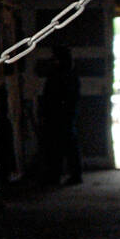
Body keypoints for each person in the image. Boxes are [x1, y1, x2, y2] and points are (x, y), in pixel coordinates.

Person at [40, 46, 82, 185]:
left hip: (60, 113)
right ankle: (69, 174)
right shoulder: (69, 72)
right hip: (64, 113)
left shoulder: (61, 73)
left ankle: (57, 175)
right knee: (66, 145)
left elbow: (54, 94)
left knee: (58, 146)